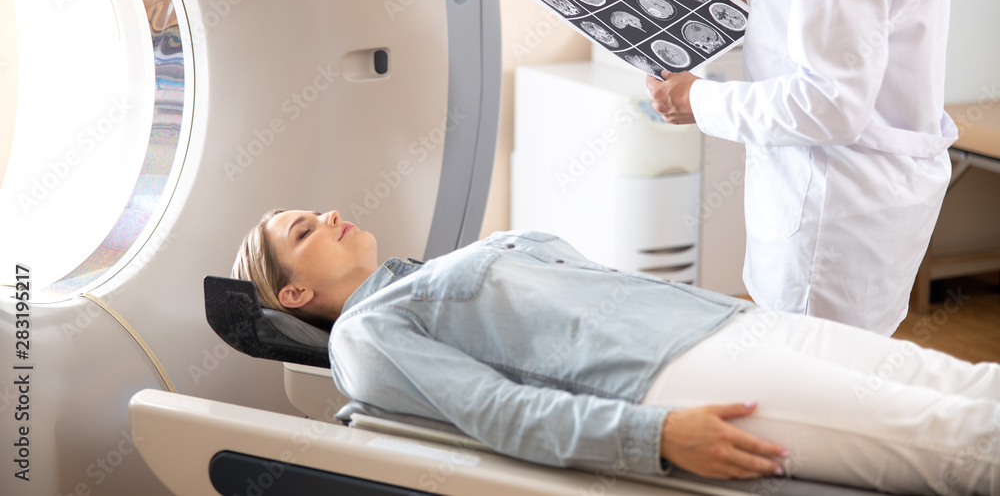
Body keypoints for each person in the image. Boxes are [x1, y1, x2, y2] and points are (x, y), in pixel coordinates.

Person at [232, 208, 1000, 495]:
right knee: (952, 440)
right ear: (294, 295)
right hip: (671, 377)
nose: (328, 215)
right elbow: (496, 411)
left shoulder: (427, 275)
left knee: (971, 385)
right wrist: (655, 437)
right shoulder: (367, 336)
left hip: (726, 323)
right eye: (302, 232)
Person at [645, 0, 957, 336]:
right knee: (838, 379)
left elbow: (828, 104)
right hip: (869, 197)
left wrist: (696, 100)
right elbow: (879, 1)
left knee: (806, 386)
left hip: (830, 217)